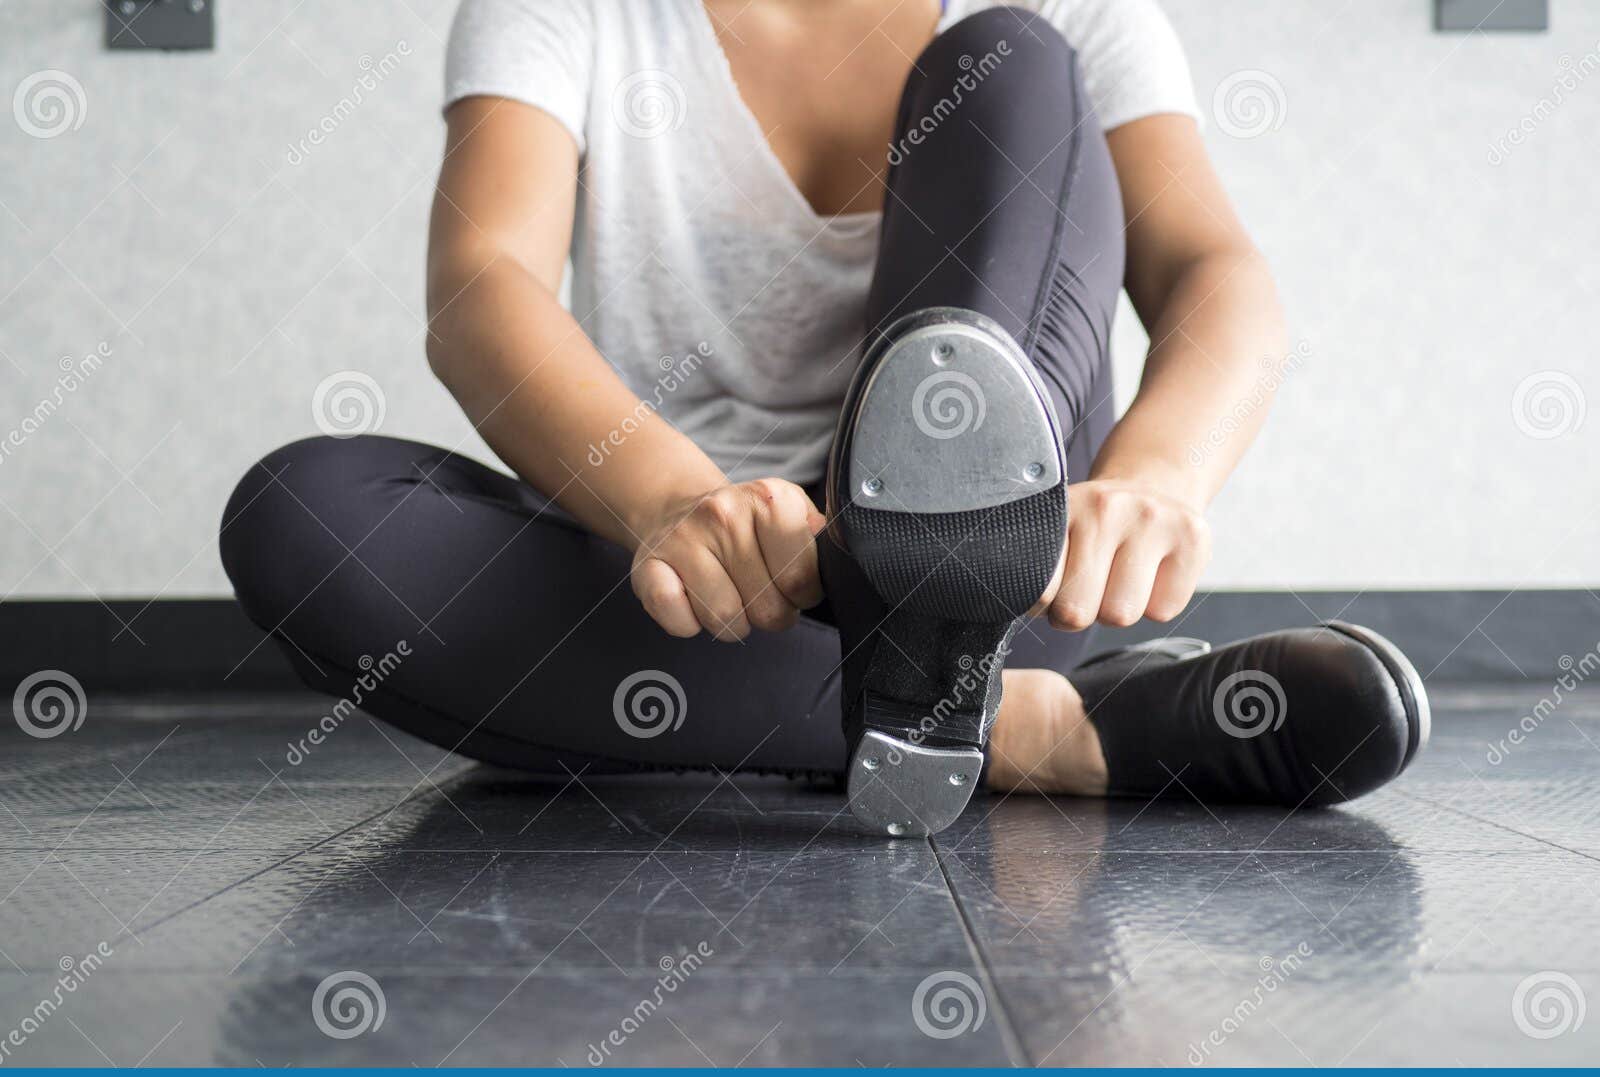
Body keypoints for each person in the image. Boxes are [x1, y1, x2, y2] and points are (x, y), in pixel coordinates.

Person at [221, 0, 1428, 837]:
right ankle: (1026, 732)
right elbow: (483, 294)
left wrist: (1161, 472)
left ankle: (932, 671)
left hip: (986, 591)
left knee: (1007, 57)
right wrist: (668, 500)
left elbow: (1216, 273)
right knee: (301, 517)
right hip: (703, 596)